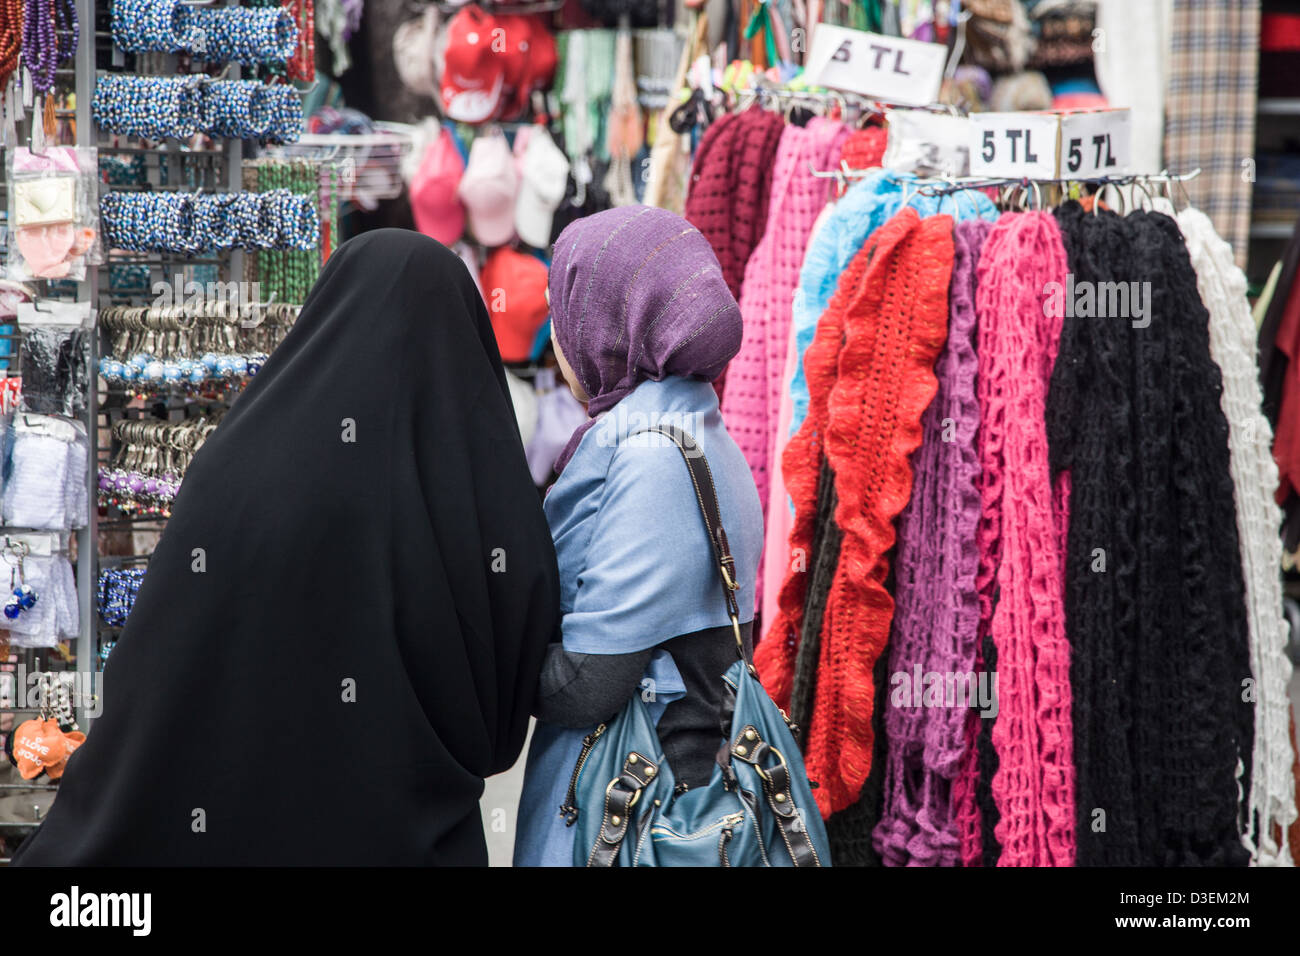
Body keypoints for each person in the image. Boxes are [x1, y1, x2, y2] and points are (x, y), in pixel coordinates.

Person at [13, 230, 559, 866]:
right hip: (408, 836)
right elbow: (510, 694)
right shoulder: (479, 494)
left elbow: (169, 655)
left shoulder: (235, 463)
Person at [514, 205, 763, 866]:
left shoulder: (651, 458)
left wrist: (480, 666)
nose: (558, 336)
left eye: (564, 311)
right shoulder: (701, 426)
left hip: (639, 817)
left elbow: (590, 684)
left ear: (605, 326)